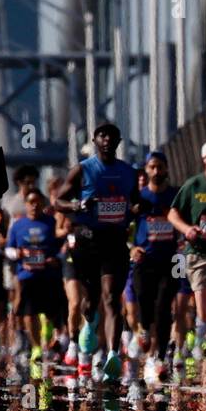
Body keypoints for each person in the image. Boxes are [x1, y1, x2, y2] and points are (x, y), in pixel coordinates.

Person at [52, 123, 140, 382]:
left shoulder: (128, 172)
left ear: (119, 140)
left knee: (112, 298)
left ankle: (113, 354)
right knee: (89, 301)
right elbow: (57, 201)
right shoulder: (82, 169)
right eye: (102, 136)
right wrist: (78, 204)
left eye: (112, 136)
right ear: (94, 140)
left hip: (114, 241)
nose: (107, 140)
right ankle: (89, 323)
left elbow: (135, 201)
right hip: (87, 242)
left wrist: (136, 207)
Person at [167, 138, 206, 385]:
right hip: (199, 255)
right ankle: (202, 335)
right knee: (205, 312)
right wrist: (186, 229)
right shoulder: (193, 185)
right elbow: (173, 213)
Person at [130, 152, 179, 384]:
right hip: (144, 259)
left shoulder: (175, 196)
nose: (157, 171)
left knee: (164, 307)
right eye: (152, 167)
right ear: (146, 171)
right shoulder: (139, 197)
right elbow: (120, 224)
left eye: (160, 167)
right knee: (143, 297)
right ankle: (143, 328)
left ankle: (158, 358)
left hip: (171, 261)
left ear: (167, 169)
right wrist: (130, 247)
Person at [5, 189, 63, 369]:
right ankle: (37, 347)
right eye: (31, 202)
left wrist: (57, 259)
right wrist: (19, 253)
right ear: (26, 204)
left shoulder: (51, 222)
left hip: (48, 276)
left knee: (51, 313)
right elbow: (9, 249)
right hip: (27, 276)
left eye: (38, 201)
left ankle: (50, 342)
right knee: (29, 314)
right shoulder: (18, 225)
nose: (34, 205)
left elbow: (63, 246)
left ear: (43, 203)